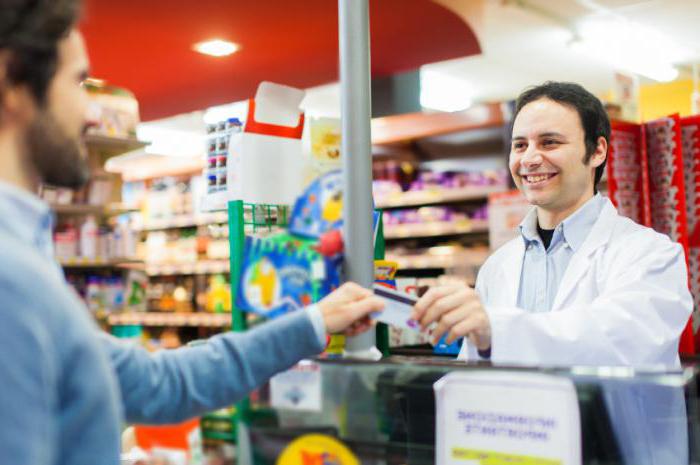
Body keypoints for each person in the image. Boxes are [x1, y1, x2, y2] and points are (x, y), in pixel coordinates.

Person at [0, 2, 383, 465]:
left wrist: (314, 322)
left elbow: (156, 384)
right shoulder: (11, 277)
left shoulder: (26, 253)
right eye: (78, 82)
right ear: (13, 80)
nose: (92, 114)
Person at [413, 81, 692, 367]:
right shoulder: (497, 267)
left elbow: (620, 341)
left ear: (597, 151)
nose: (530, 159)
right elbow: (475, 369)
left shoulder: (651, 255)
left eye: (550, 142)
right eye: (520, 145)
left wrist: (497, 329)